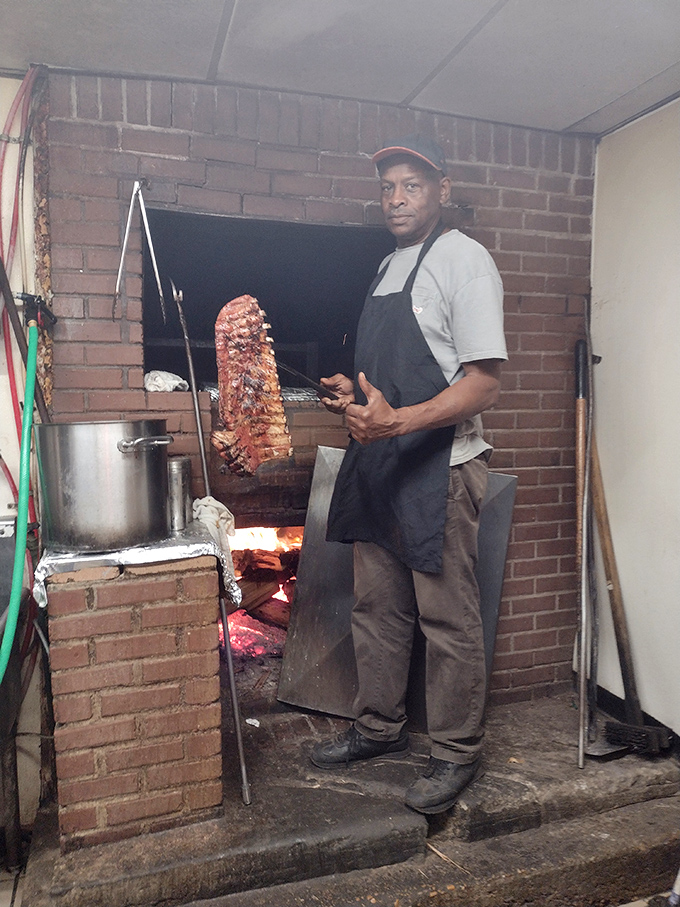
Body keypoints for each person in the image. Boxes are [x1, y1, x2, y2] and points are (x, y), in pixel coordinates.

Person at [310, 134, 508, 815]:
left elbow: (482, 383)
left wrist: (397, 422)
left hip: (441, 471)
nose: (395, 198)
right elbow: (393, 377)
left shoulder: (464, 261)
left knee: (447, 617)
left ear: (442, 190)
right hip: (382, 466)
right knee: (377, 607)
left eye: (411, 185)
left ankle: (456, 751)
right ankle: (378, 726)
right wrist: (358, 397)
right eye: (387, 187)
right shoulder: (387, 265)